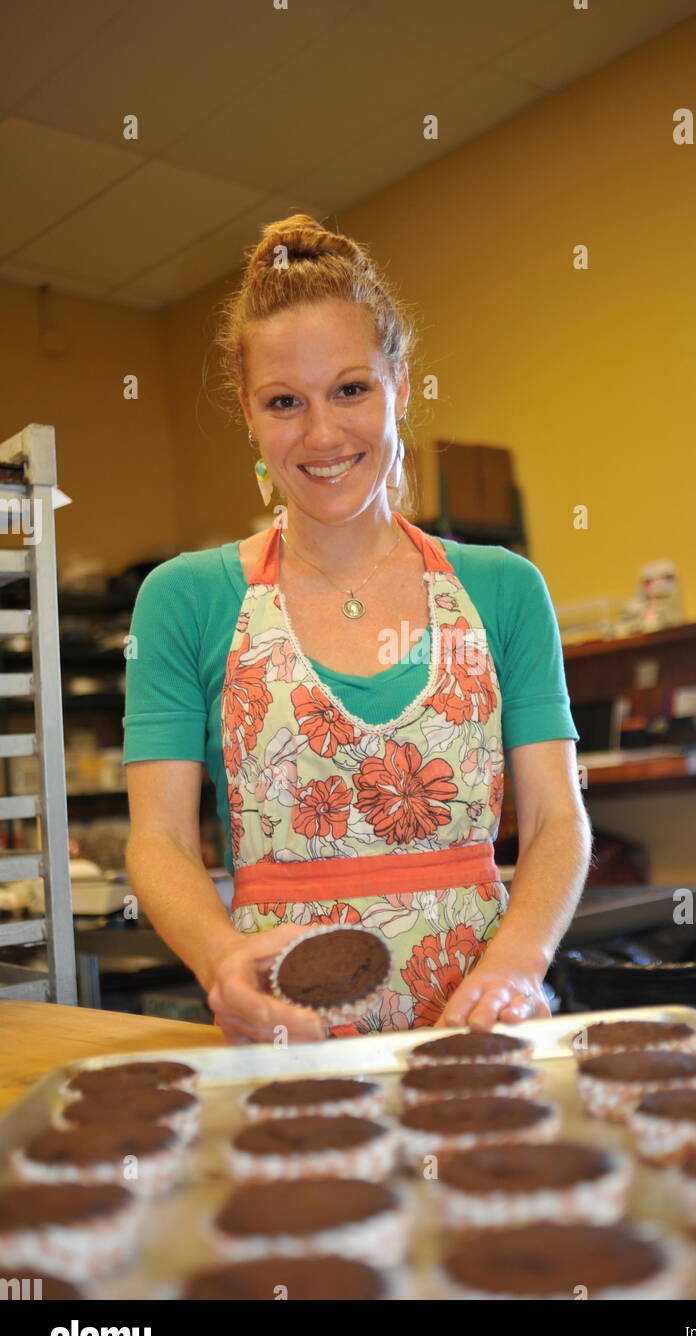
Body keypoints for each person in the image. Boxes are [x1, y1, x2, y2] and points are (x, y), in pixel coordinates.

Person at [123, 213, 591, 1044]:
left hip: (476, 1025)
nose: (322, 433)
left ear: (399, 385)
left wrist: (517, 965)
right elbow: (157, 840)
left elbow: (558, 819)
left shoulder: (503, 591)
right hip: (287, 1029)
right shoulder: (186, 599)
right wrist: (219, 956)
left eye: (351, 388)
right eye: (283, 402)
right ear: (248, 412)